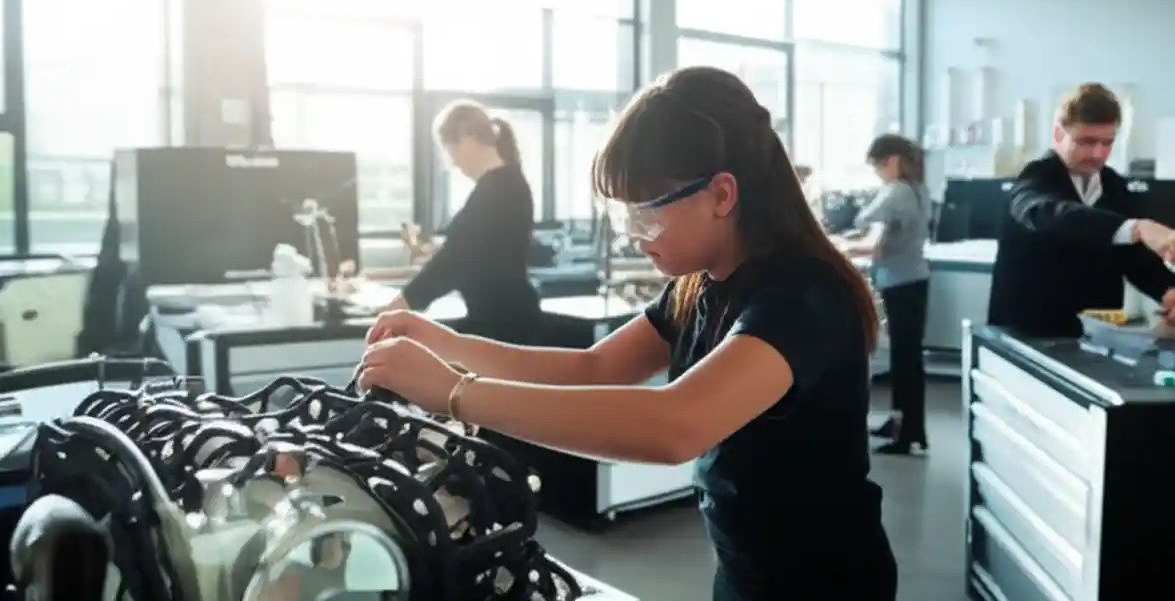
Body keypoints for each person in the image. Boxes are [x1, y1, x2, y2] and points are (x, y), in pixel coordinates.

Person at [357, 67, 898, 600]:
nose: (636, 237)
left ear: (721, 194)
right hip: (745, 571)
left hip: (827, 582)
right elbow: (593, 367)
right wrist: (441, 342)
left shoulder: (802, 294)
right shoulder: (698, 286)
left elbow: (676, 425)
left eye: (646, 214)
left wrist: (456, 393)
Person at [988, 82, 1175, 338]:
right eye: (1086, 142)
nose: (1098, 154)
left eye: (1107, 143)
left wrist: (1168, 289)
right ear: (1058, 134)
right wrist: (1138, 228)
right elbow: (1051, 214)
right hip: (1026, 332)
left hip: (1093, 334)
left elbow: (1133, 256)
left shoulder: (1114, 186)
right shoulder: (1034, 179)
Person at [386, 100, 540, 344]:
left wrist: (400, 304)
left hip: (504, 325)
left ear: (467, 139)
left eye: (450, 151)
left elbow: (455, 259)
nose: (454, 163)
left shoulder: (500, 189)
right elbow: (475, 250)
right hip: (504, 320)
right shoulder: (503, 184)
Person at [842, 134, 933, 456]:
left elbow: (869, 234)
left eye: (878, 168)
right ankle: (903, 424)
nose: (878, 175)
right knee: (906, 358)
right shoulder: (918, 189)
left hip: (900, 283)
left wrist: (840, 245)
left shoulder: (895, 192)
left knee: (905, 360)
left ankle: (909, 433)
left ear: (891, 161)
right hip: (914, 279)